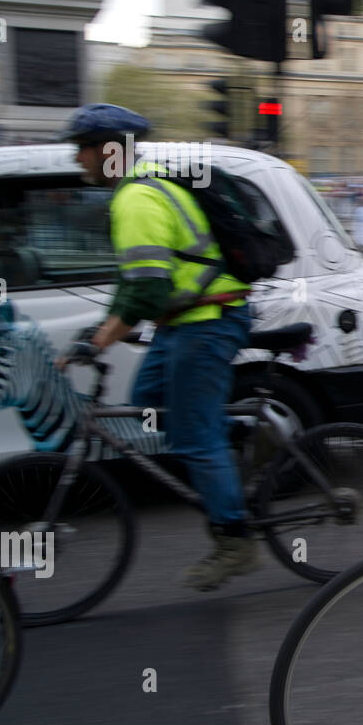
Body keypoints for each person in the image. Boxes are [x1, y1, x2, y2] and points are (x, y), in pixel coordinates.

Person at [56, 103, 256, 591]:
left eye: (81, 149)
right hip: (183, 320)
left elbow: (146, 291)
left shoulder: (136, 200)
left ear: (107, 150)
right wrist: (99, 332)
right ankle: (244, 435)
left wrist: (100, 341)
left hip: (208, 321)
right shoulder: (138, 187)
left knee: (191, 434)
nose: (76, 159)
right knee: (148, 401)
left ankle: (235, 540)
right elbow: (136, 285)